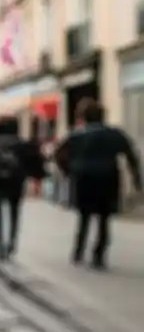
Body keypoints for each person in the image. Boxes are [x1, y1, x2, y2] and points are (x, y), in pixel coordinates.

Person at [54, 101, 143, 269]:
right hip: (107, 178)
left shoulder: (76, 135)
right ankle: (99, 255)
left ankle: (78, 252)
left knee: (84, 217)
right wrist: (137, 180)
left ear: (83, 117)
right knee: (104, 219)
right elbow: (131, 155)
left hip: (84, 179)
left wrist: (69, 171)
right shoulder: (114, 134)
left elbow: (59, 154)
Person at [0, 115, 45, 262]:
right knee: (15, 212)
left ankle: (0, 246)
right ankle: (12, 244)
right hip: (16, 182)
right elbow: (33, 163)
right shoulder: (22, 144)